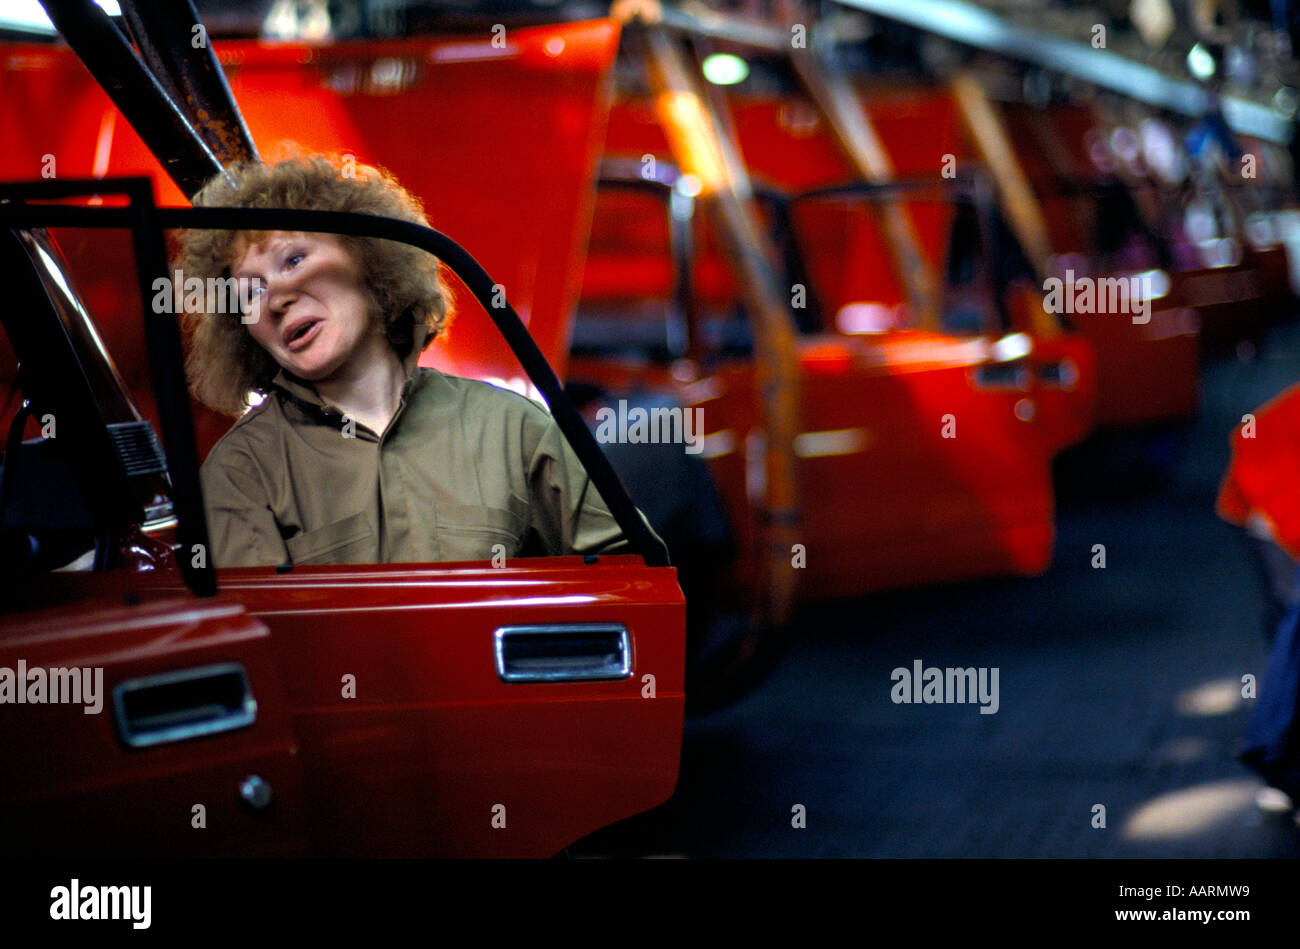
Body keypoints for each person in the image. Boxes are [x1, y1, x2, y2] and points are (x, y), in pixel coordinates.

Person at [178, 154, 665, 568]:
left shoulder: (512, 428)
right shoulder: (242, 472)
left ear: (371, 260)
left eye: (294, 260)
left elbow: (631, 586)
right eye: (250, 290)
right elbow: (257, 650)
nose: (278, 297)